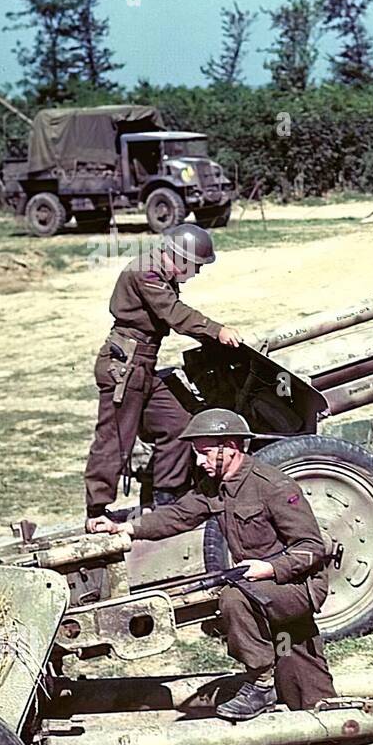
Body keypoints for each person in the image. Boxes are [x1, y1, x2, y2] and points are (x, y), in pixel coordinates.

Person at [86, 408, 346, 745]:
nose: (199, 460)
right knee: (302, 672)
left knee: (234, 600)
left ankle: (260, 684)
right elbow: (177, 515)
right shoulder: (217, 487)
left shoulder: (273, 486)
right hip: (264, 592)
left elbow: (310, 548)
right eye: (198, 452)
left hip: (297, 587)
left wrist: (269, 568)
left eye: (206, 452)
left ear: (230, 447)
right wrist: (125, 527)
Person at [83, 223, 243, 521]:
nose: (196, 272)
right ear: (181, 257)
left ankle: (165, 499)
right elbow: (175, 314)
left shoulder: (160, 270)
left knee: (180, 423)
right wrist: (216, 330)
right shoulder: (147, 271)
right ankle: (96, 512)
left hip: (142, 363)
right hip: (125, 366)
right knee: (115, 439)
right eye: (195, 265)